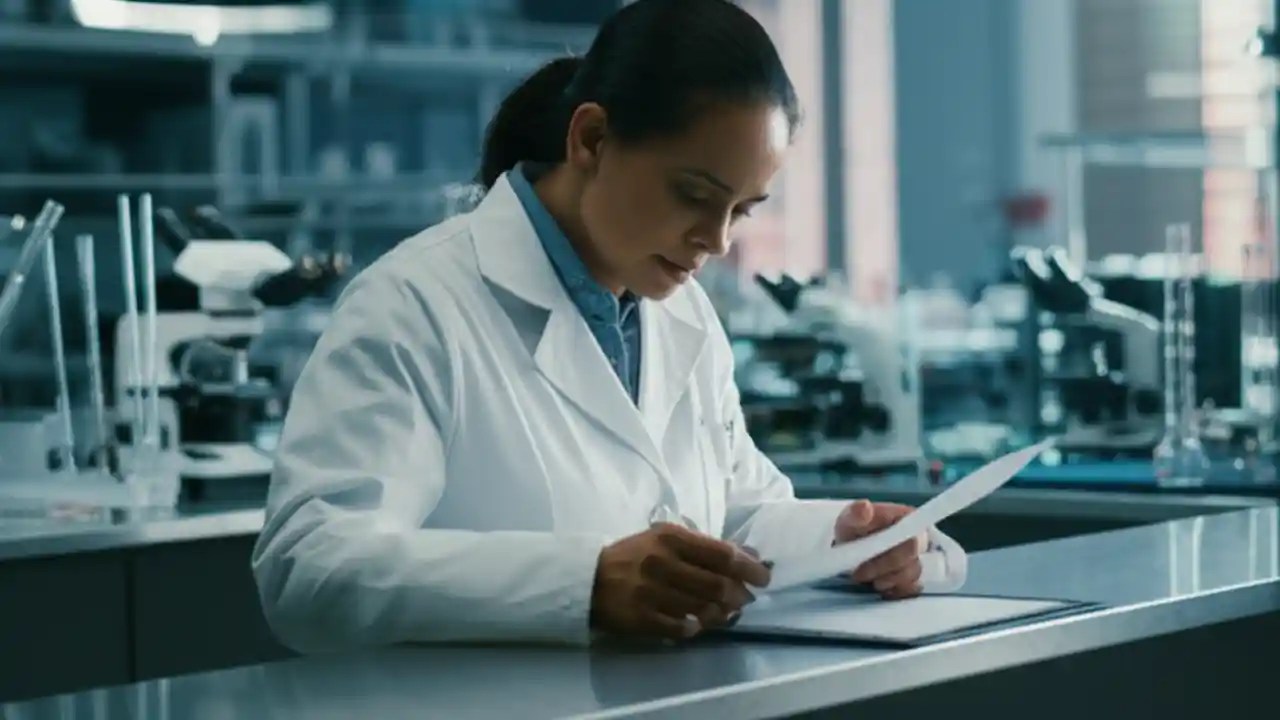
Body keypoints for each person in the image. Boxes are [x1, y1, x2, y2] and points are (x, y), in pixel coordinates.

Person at [252, 0, 965, 652]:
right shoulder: (415, 305)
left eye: (741, 210)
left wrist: (843, 539)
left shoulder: (679, 310)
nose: (716, 241)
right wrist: (584, 582)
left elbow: (730, 515)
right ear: (591, 138)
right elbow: (310, 570)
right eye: (694, 194)